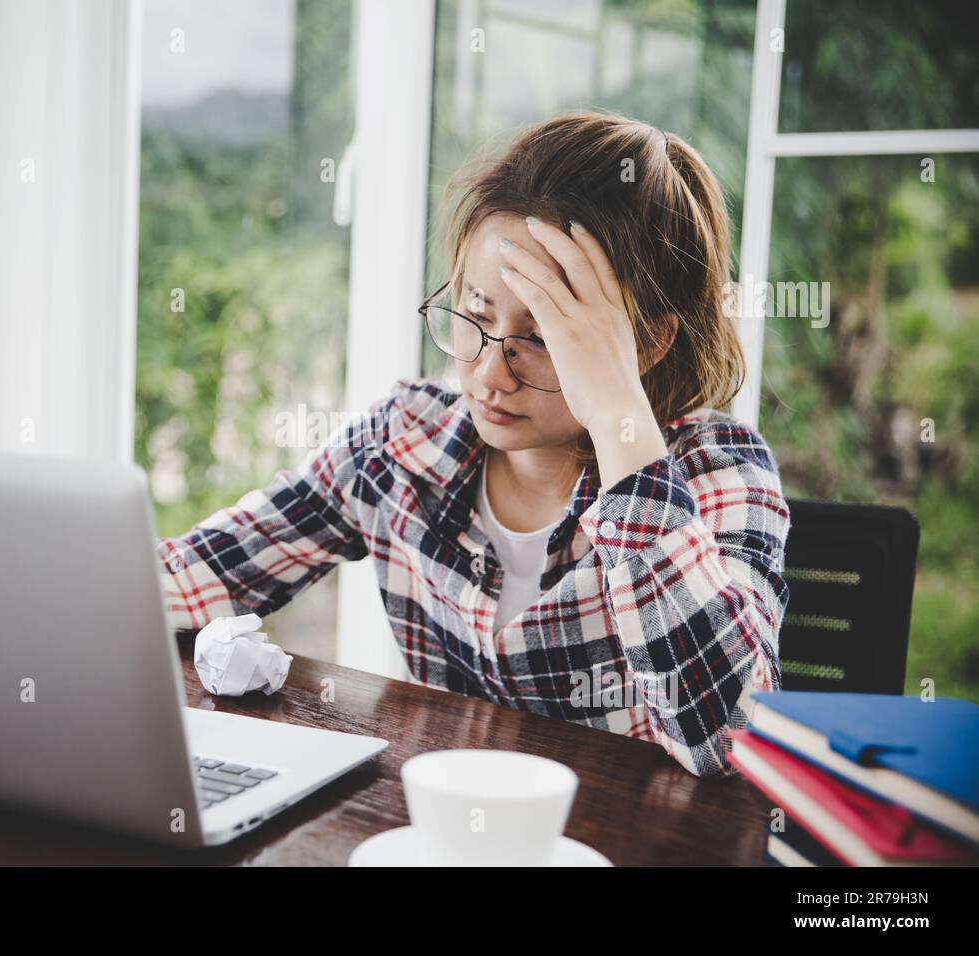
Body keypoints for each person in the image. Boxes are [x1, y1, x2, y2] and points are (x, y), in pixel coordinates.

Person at [156, 111, 790, 777]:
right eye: (476, 315)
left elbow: (728, 742)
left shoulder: (719, 471)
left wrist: (617, 415)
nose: (489, 374)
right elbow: (202, 576)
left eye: (542, 337)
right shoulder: (403, 442)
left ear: (648, 344)